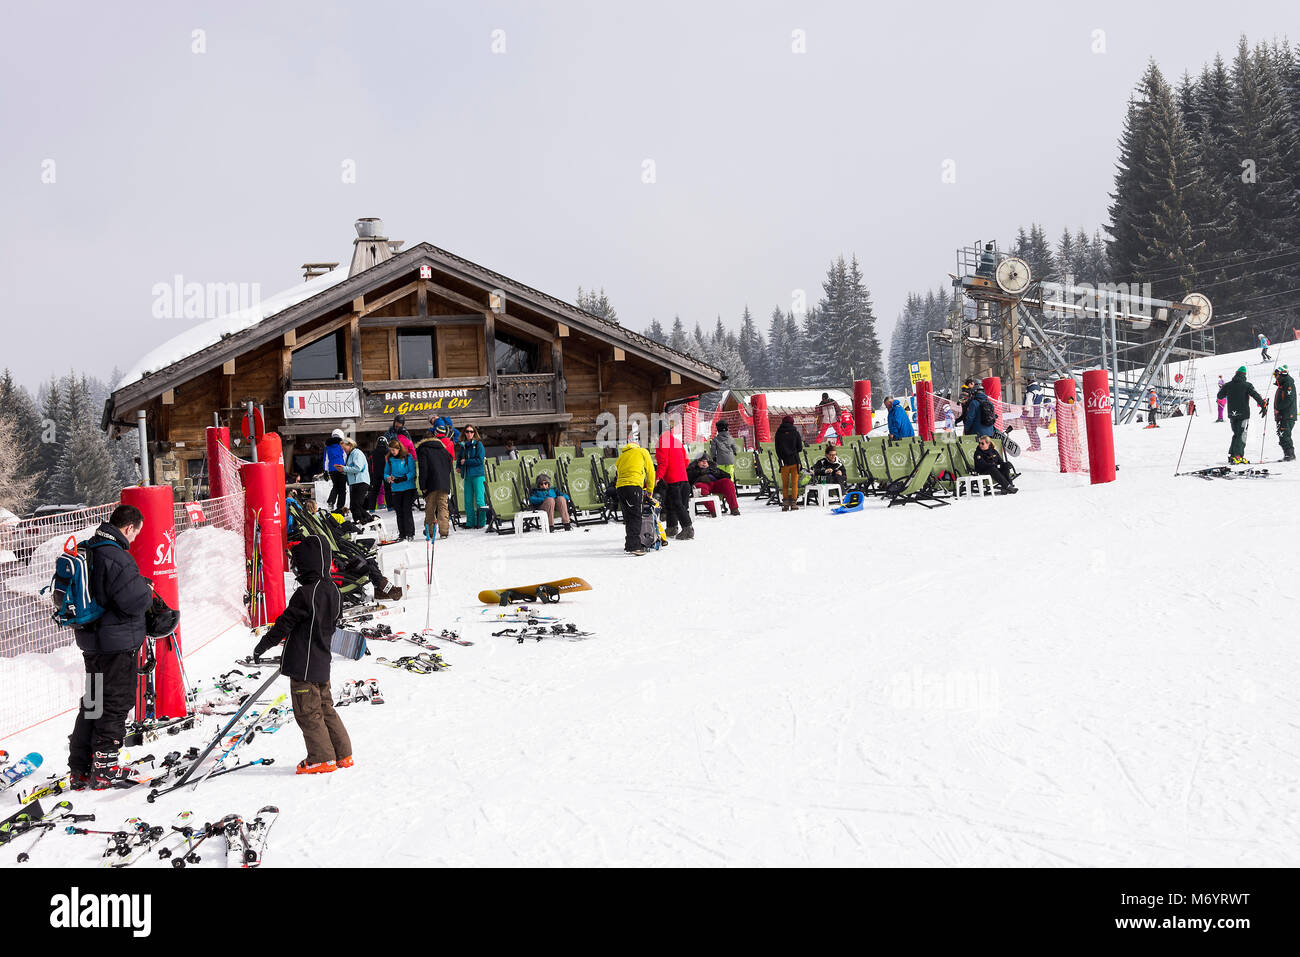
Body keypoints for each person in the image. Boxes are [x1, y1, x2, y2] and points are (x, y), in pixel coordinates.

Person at [67, 504, 155, 790]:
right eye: (136, 533)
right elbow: (135, 601)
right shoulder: (117, 556)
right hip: (116, 646)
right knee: (115, 703)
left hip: (91, 644)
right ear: (128, 528)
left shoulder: (88, 549)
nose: (135, 539)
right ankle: (105, 768)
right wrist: (146, 588)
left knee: (93, 703)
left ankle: (80, 769)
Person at [252, 535, 351, 774]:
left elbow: (284, 624)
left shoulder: (306, 593)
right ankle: (343, 754)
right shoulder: (334, 591)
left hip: (303, 665)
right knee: (325, 706)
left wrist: (263, 645)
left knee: (308, 711)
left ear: (307, 564)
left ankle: (321, 758)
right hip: (321, 662)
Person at [1216, 366, 1268, 464]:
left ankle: (1232, 455)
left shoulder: (1228, 385)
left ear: (1236, 373)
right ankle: (1238, 456)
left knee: (1236, 433)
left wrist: (1224, 388)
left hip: (1232, 414)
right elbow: (1256, 395)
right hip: (1243, 414)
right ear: (1244, 375)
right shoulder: (1247, 385)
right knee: (1242, 434)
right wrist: (1263, 406)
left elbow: (1220, 396)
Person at [615, 437, 656, 555]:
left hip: (620, 487)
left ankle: (629, 544)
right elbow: (650, 471)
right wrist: (650, 490)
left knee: (628, 516)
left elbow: (617, 473)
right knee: (635, 516)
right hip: (633, 486)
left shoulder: (621, 456)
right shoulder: (642, 452)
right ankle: (634, 546)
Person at [655, 424, 694, 540]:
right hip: (683, 477)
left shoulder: (662, 441)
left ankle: (688, 528)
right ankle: (672, 527)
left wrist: (658, 477)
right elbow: (686, 460)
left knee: (677, 504)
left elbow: (663, 463)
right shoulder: (676, 441)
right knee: (672, 502)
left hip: (672, 478)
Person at [416, 422, 455, 539]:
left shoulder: (423, 450)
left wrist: (422, 485)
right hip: (443, 483)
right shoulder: (443, 449)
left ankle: (430, 531)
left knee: (430, 508)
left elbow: (423, 469)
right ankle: (444, 531)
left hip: (430, 484)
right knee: (443, 507)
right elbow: (449, 465)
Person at [383, 440, 417, 541]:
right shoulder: (390, 459)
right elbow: (385, 473)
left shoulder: (408, 457)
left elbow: (412, 472)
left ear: (399, 449)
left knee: (407, 510)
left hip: (408, 487)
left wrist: (403, 479)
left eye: (393, 450)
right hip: (396, 489)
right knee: (399, 512)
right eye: (390, 450)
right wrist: (388, 477)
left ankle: (410, 533)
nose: (392, 452)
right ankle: (402, 533)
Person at [687, 452, 740, 516]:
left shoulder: (712, 467)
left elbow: (727, 476)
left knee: (728, 482)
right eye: (702, 461)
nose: (704, 463)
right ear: (697, 462)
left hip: (715, 485)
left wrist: (717, 473)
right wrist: (700, 472)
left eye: (706, 461)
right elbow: (689, 478)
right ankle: (715, 511)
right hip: (703, 486)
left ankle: (734, 508)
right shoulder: (692, 469)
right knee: (699, 487)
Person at [457, 425, 487, 528]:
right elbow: (459, 458)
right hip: (467, 475)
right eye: (467, 431)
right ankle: (470, 523)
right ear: (464, 433)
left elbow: (480, 460)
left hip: (478, 475)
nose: (469, 433)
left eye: (471, 431)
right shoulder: (463, 445)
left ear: (474, 433)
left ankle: (481, 522)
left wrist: (466, 462)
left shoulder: (479, 444)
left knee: (479, 500)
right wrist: (458, 466)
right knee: (468, 500)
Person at [338, 438, 373, 525]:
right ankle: (358, 521)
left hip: (361, 481)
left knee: (357, 504)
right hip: (355, 482)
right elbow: (351, 470)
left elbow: (358, 468)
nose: (344, 450)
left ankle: (369, 518)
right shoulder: (350, 454)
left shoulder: (357, 453)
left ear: (350, 445)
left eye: (344, 448)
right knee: (353, 506)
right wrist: (342, 471)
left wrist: (344, 468)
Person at [774, 414, 804, 511]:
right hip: (795, 461)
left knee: (785, 484)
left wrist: (781, 457)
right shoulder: (795, 432)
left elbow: (777, 449)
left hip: (784, 462)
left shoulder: (778, 433)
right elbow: (800, 448)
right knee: (795, 483)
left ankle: (786, 504)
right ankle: (794, 503)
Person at [1273, 364, 1296, 461]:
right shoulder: (1283, 384)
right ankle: (1287, 454)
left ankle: (1290, 455)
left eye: (1276, 374)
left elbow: (1288, 399)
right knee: (1281, 434)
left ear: (1281, 374)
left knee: (1284, 434)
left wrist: (1278, 407)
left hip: (1287, 414)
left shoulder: (1288, 383)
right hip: (1282, 414)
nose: (1275, 377)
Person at [324, 429, 347, 511]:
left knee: (336, 486)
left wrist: (325, 471)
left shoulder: (327, 447)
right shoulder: (342, 445)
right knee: (342, 488)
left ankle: (331, 501)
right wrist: (347, 467)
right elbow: (345, 457)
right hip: (341, 468)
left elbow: (326, 460)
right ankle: (340, 506)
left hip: (332, 469)